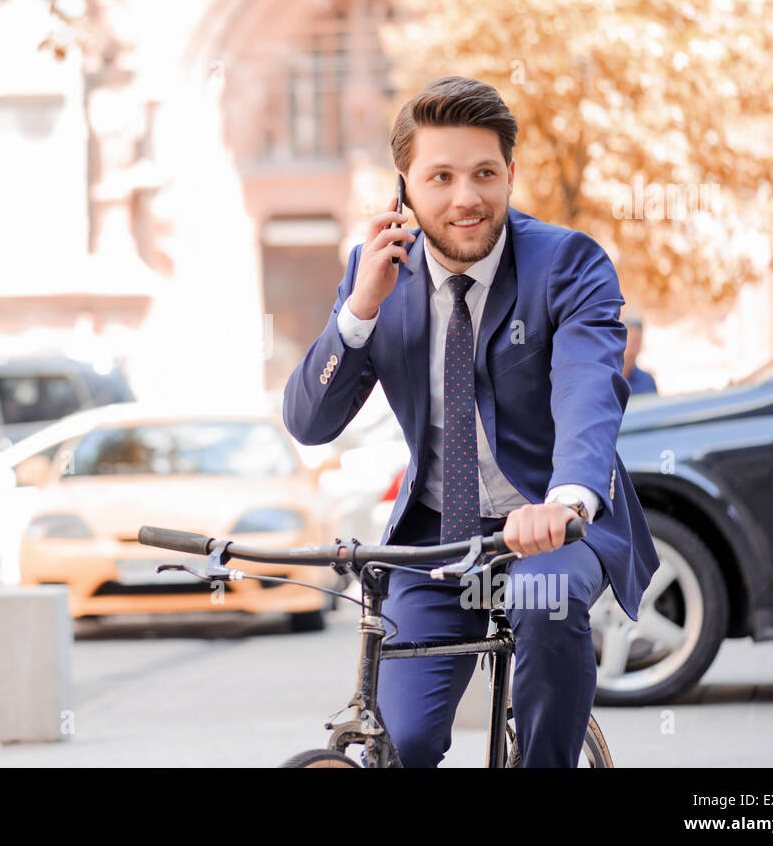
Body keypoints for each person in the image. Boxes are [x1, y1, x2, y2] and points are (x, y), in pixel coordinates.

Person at [282, 76, 659, 767]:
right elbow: (310, 420)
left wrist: (566, 498)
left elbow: (588, 390)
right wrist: (359, 311)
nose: (466, 197)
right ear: (404, 187)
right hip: (438, 539)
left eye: (485, 173)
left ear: (510, 175)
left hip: (551, 530)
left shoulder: (567, 265)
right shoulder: (376, 274)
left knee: (542, 606)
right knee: (403, 743)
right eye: (442, 176)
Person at [621, 312, 659, 394]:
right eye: (630, 342)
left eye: (637, 343)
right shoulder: (605, 380)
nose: (633, 350)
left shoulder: (647, 382)